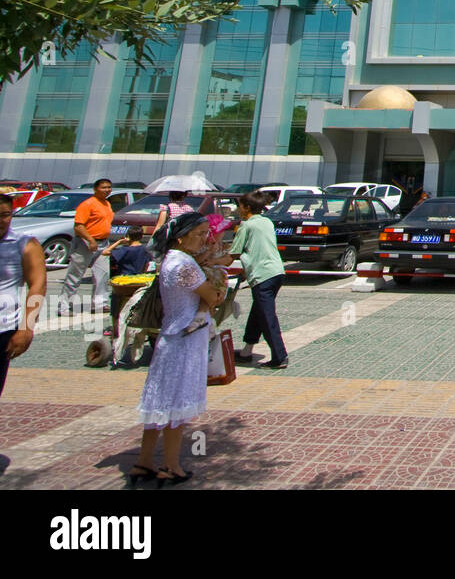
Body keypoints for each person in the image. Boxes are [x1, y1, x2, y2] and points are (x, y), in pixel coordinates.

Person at [133, 211, 227, 486]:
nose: (202, 240)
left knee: (158, 405)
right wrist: (217, 294)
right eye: (197, 235)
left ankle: (144, 461)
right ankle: (170, 465)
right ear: (180, 237)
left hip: (170, 337)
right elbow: (211, 297)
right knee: (176, 406)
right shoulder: (185, 264)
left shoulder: (171, 260)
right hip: (185, 339)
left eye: (203, 234)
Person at [230, 191, 288, 369]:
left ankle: (280, 357)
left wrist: (210, 261)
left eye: (240, 206)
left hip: (262, 276)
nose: (238, 209)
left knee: (267, 317)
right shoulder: (266, 222)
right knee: (258, 313)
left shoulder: (246, 226)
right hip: (276, 272)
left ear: (247, 207)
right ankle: (247, 350)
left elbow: (233, 254)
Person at [0, 193, 46, 399]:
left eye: (5, 215)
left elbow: (38, 285)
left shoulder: (25, 244)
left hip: (3, 329)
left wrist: (26, 328)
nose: (1, 220)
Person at [59, 178, 115, 316]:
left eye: (109, 187)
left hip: (103, 243)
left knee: (102, 275)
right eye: (103, 187)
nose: (107, 190)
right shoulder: (88, 204)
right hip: (86, 243)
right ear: (95, 189)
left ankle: (99, 304)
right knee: (75, 275)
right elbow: (78, 226)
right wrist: (90, 240)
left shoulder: (107, 203)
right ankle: (64, 306)